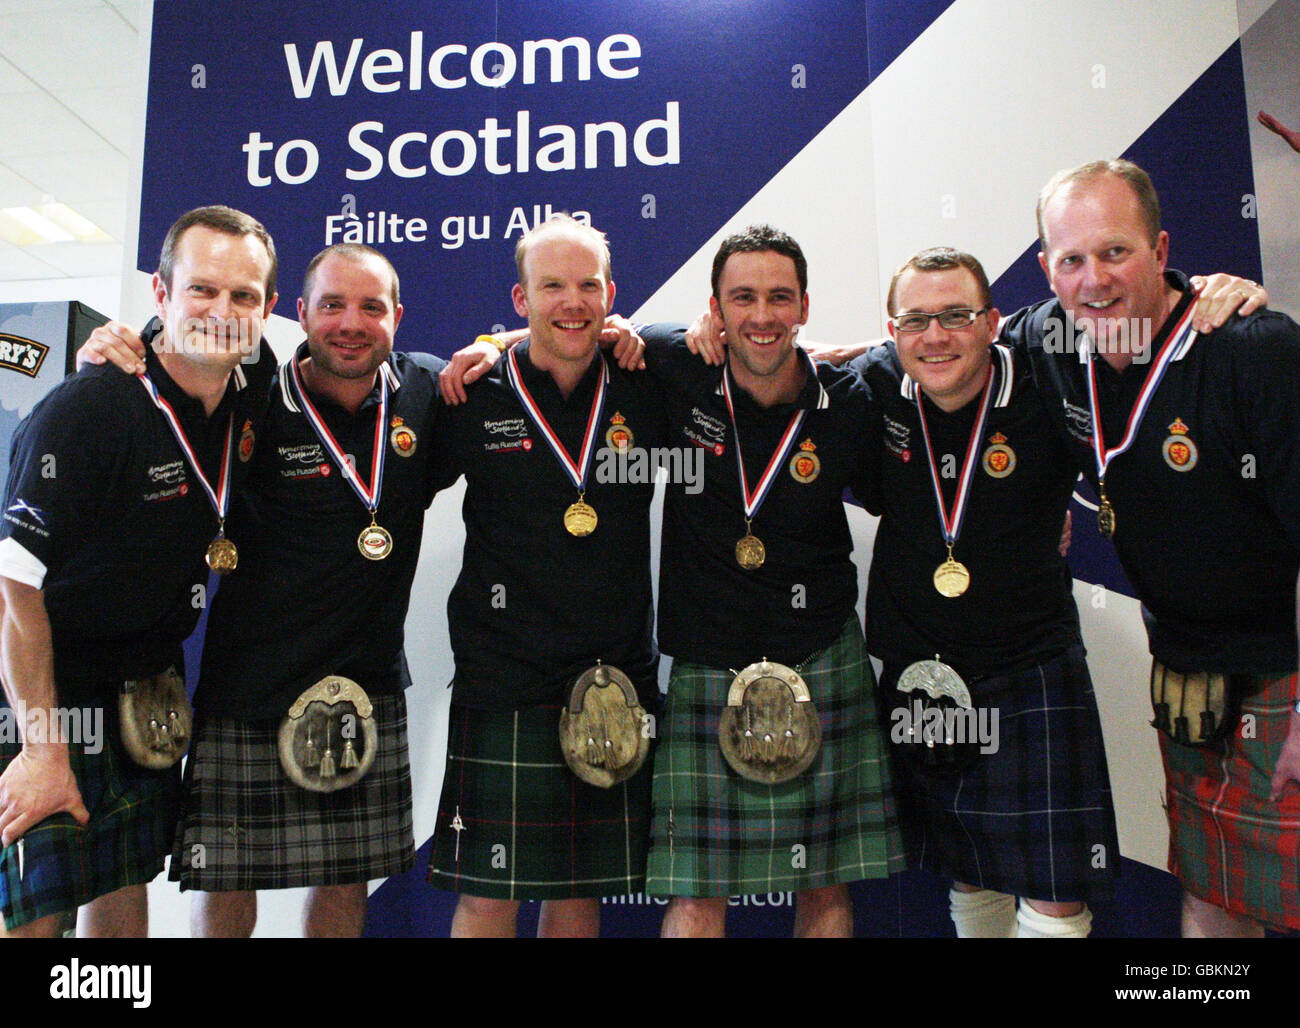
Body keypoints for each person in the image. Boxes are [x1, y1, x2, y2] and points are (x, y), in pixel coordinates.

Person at [83, 243, 445, 938]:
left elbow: (518, 369)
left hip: (361, 686)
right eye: (332, 305)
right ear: (299, 312)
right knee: (226, 881)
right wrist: (118, 348)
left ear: (398, 318)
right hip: (246, 683)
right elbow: (165, 374)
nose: (351, 322)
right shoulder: (248, 395)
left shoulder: (425, 395)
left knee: (345, 881)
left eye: (372, 307)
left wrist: (512, 339)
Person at [997, 158, 1300, 937]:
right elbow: (952, 344)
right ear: (1047, 270)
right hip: (1188, 675)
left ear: (1161, 248)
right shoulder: (1053, 340)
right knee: (1211, 894)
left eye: (1115, 251)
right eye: (1071, 259)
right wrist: (806, 353)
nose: (1094, 279)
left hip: (1284, 674)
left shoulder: (1251, 349)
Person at [0, 206, 278, 937]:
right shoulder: (88, 408)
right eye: (202, 290)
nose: (222, 311)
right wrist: (42, 749)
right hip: (47, 689)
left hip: (147, 687)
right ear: (161, 294)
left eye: (244, 296)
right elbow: (12, 591)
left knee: (122, 888)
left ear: (268, 308)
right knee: (36, 917)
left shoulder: (253, 390)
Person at [638, 226, 903, 937]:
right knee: (694, 895)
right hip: (707, 660)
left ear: (806, 306)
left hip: (821, 652)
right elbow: (570, 331)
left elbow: (915, 488)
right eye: (743, 298)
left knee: (823, 889)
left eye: (779, 297)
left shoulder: (850, 398)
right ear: (715, 311)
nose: (762, 315)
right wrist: (485, 350)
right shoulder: (676, 364)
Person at [852, 246, 1118, 937]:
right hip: (923, 675)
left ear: (993, 321)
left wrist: (1211, 290)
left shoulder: (1047, 377)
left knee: (1054, 891)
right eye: (914, 320)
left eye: (956, 315)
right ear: (890, 330)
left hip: (1031, 668)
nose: (934, 336)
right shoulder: (870, 387)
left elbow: (1145, 314)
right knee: (968, 863)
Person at [426, 215, 666, 937]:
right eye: (551, 285)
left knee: (578, 891)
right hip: (503, 678)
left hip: (610, 678)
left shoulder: (644, 378)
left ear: (611, 294)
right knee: (487, 896)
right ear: (519, 298)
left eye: (587, 285)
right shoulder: (473, 390)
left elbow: (750, 350)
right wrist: (490, 345)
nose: (572, 301)